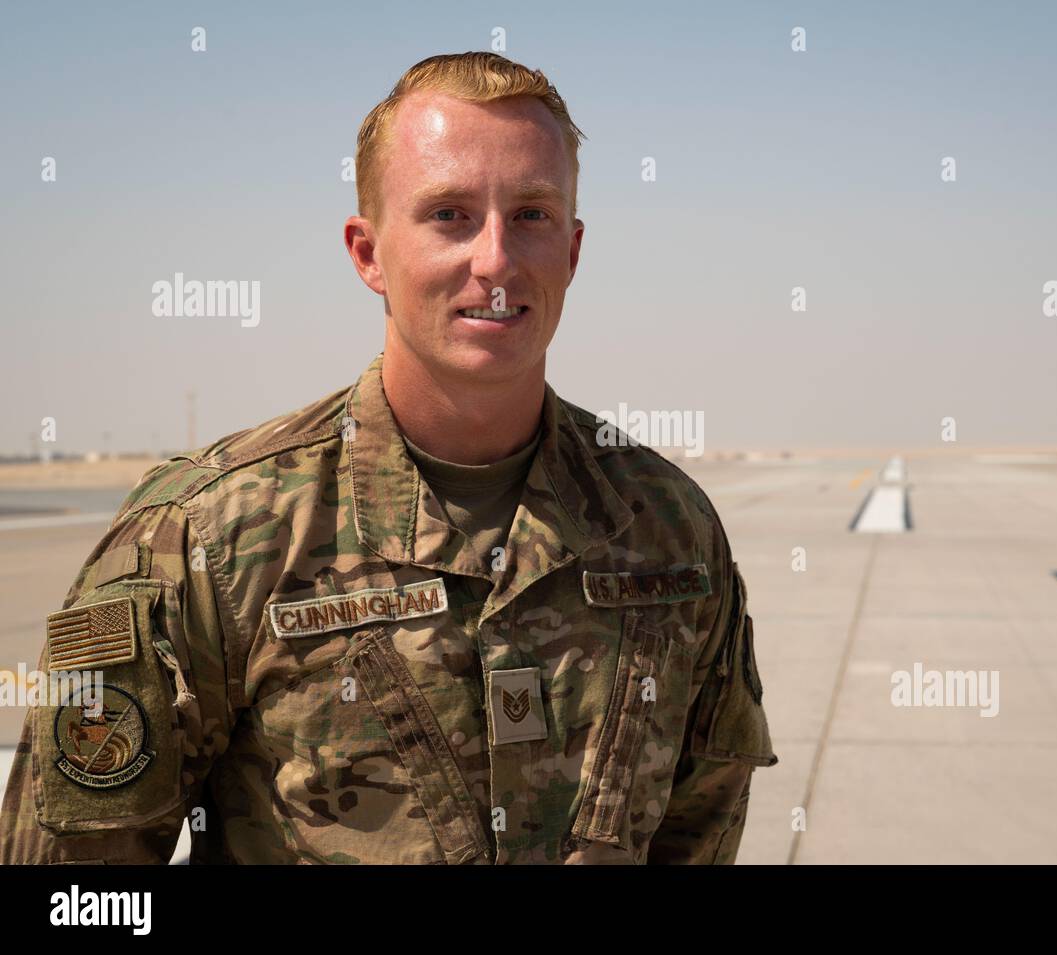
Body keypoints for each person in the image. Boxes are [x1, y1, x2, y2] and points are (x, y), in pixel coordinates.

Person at [0, 51, 776, 865]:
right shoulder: (208, 537)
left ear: (573, 253)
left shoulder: (670, 532)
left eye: (532, 215)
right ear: (367, 252)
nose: (495, 260)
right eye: (449, 214)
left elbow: (700, 833)